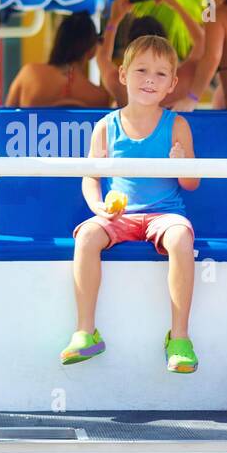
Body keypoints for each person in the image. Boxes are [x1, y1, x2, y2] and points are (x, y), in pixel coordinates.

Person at [62, 34, 201, 373]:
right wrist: (98, 208)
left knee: (182, 238)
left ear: (172, 83)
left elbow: (192, 183)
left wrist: (181, 162)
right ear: (122, 75)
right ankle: (85, 331)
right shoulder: (105, 127)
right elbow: (90, 177)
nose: (150, 80)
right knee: (86, 237)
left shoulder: (177, 125)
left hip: (165, 215)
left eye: (160, 74)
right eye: (141, 70)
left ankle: (179, 337)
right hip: (118, 216)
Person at [95, 0, 222, 111]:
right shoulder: (179, 81)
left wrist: (114, 19)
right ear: (165, 42)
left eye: (160, 74)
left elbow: (102, 57)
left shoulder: (121, 83)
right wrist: (173, 4)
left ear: (130, 46)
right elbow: (202, 42)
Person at [4, 12, 112, 108]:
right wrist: (113, 22)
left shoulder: (29, 73)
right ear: (92, 49)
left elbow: (4, 120)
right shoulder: (99, 97)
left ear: (58, 40)